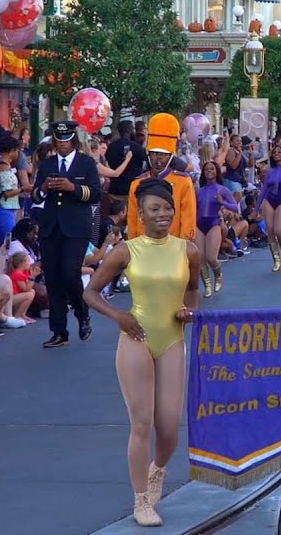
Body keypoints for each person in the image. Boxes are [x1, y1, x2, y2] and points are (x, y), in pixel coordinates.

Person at [83, 178, 200, 527]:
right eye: (155, 209)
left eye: (167, 208)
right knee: (142, 424)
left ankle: (157, 470)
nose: (163, 214)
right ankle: (140, 500)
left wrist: (188, 311)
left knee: (169, 429)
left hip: (172, 340)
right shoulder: (126, 250)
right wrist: (118, 316)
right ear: (141, 214)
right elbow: (91, 292)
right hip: (136, 338)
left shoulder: (188, 250)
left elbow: (194, 290)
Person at [32, 120, 102, 348]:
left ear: (73, 140)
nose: (61, 145)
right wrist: (43, 189)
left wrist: (73, 188)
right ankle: (59, 331)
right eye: (58, 140)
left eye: (65, 140)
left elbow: (95, 194)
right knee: (53, 279)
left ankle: (82, 314)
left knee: (70, 272)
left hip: (76, 228)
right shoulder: (47, 164)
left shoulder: (86, 163)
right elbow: (34, 195)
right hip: (51, 227)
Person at [127, 114, 196, 242]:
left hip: (173, 245)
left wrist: (185, 246)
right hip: (143, 246)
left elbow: (188, 218)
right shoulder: (137, 183)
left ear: (170, 156)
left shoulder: (183, 181)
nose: (158, 158)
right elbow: (132, 219)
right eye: (154, 154)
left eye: (163, 155)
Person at [196, 161, 238, 294]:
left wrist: (222, 202)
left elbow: (235, 207)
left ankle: (218, 276)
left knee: (211, 258)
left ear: (217, 172)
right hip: (199, 224)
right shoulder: (199, 190)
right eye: (206, 169)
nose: (209, 171)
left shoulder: (222, 189)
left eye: (212, 169)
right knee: (200, 259)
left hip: (213, 223)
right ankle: (207, 286)